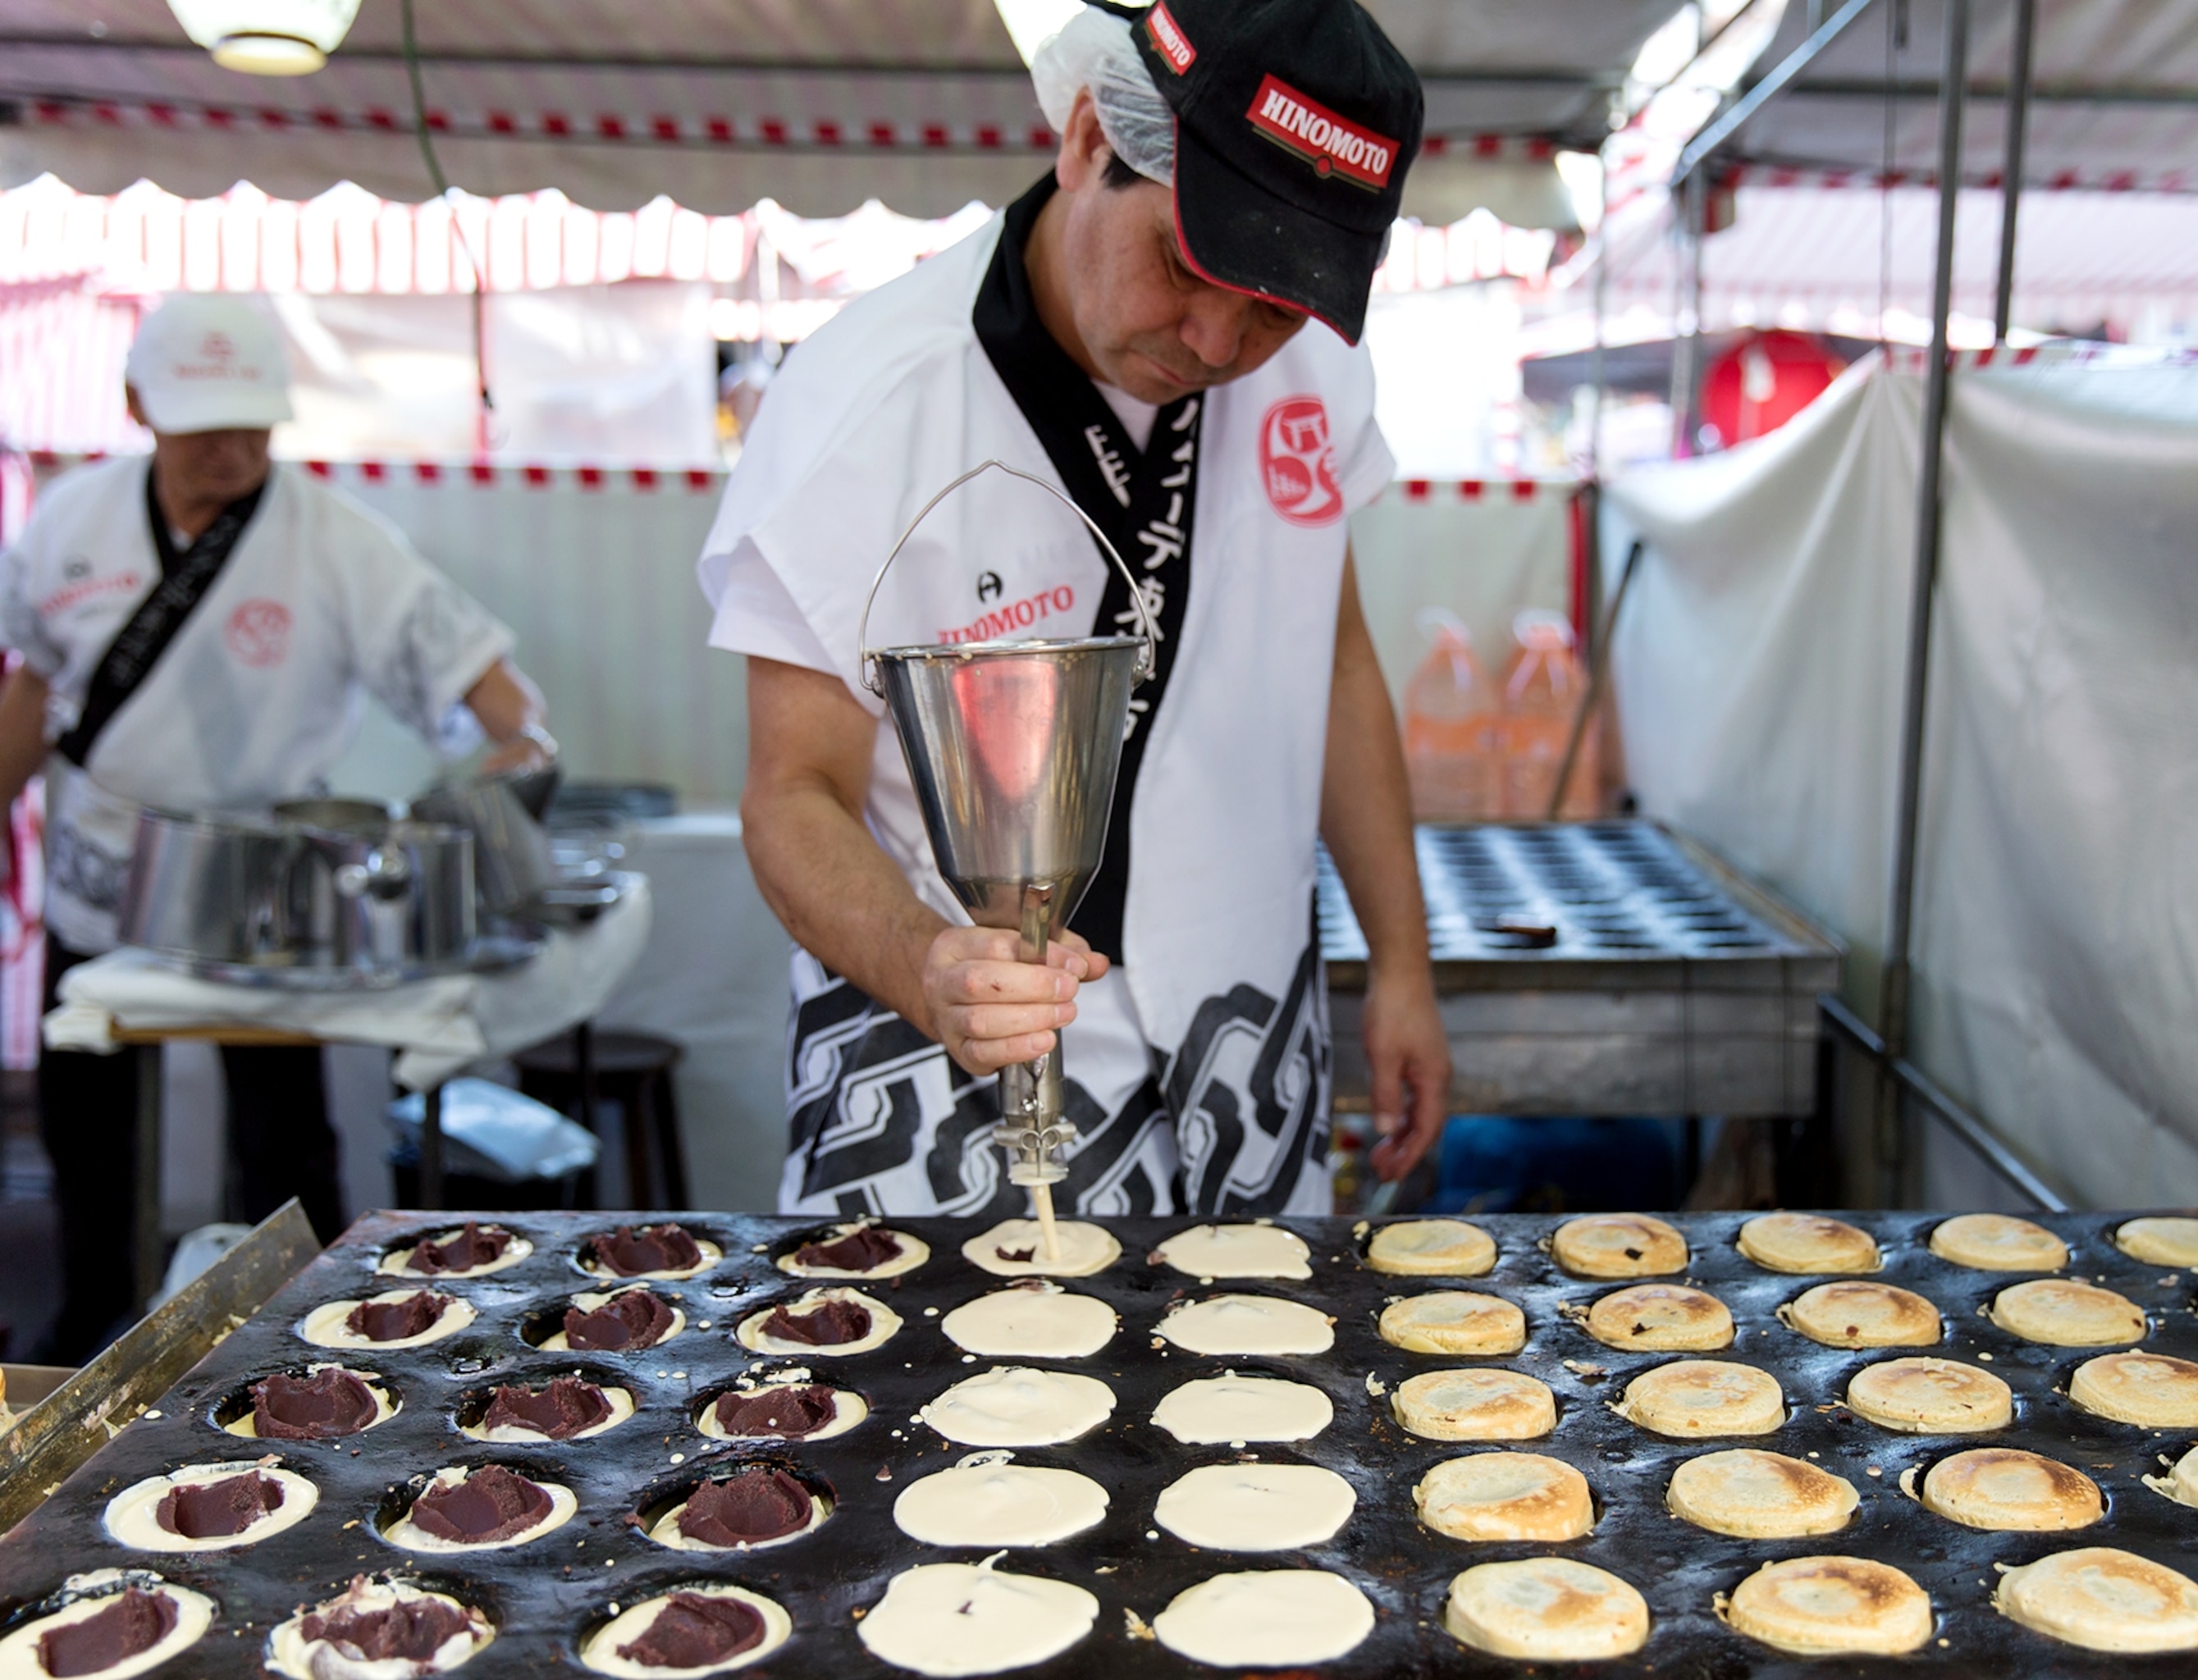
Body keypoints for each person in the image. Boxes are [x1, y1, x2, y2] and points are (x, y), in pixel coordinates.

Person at [701, 0, 1449, 1217]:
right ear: (1091, 139)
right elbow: (792, 793)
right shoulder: (874, 399)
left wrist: (1405, 967)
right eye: (1186, 264)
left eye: (1273, 305)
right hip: (952, 1062)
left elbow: (1339, 659)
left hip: (1243, 1038)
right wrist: (922, 962)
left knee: (1260, 1398)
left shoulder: (1313, 363)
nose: (1215, 338)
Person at [0, 295, 555, 1361]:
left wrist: (514, 748)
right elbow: (34, 686)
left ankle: (303, 1335)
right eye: (203, 420)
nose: (231, 445)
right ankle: (87, 1320)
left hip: (264, 871)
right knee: (86, 1113)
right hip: (106, 861)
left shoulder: (338, 540)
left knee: (284, 1121)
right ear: (137, 407)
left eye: (251, 419)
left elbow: (495, 690)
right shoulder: (73, 520)